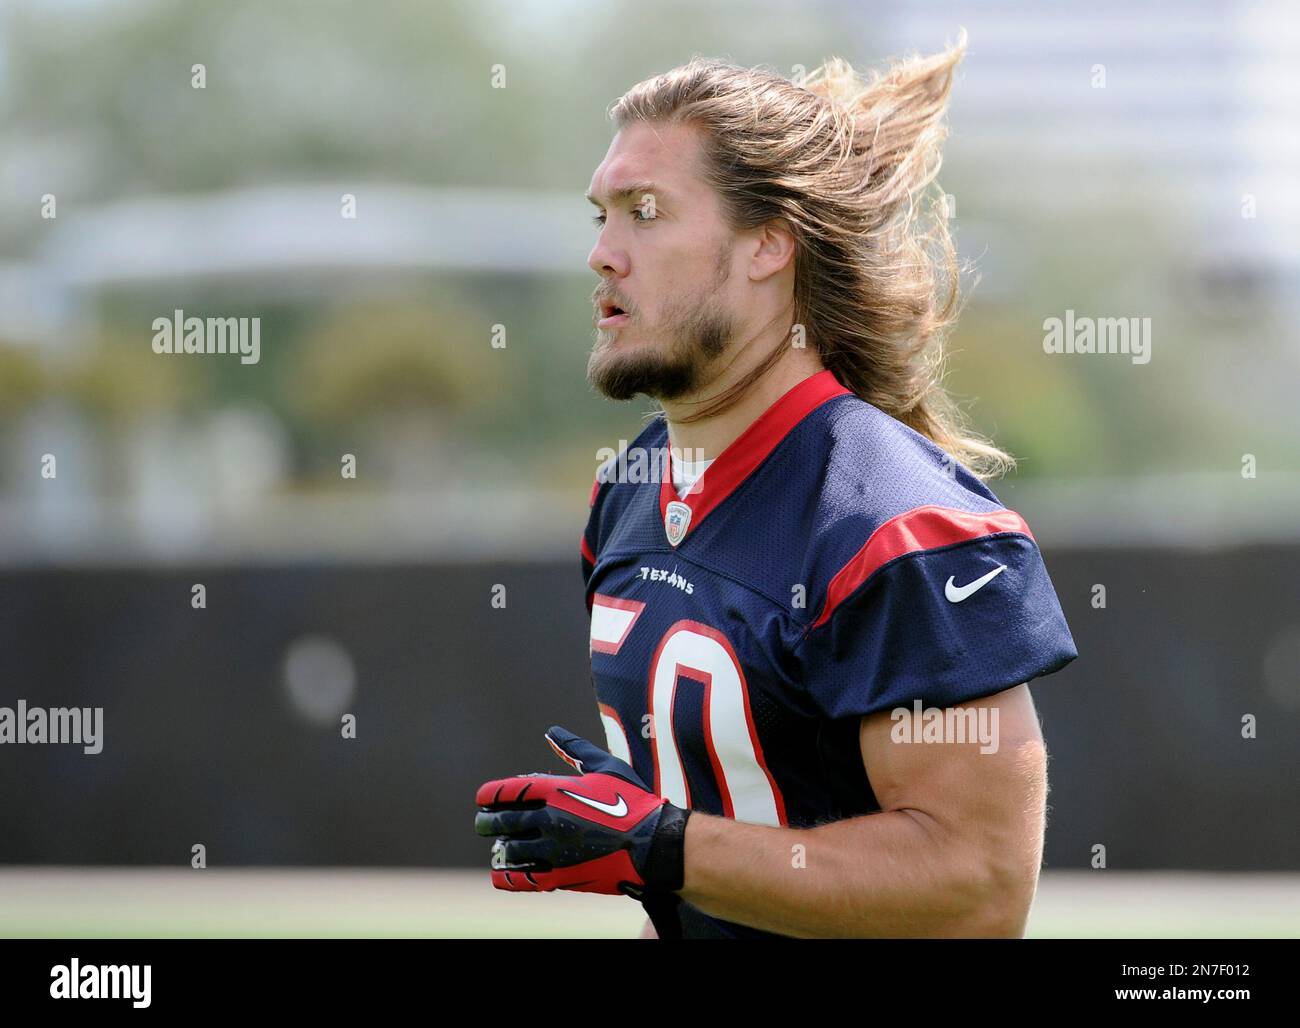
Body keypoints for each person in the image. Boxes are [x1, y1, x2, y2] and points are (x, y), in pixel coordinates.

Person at [475, 35, 1078, 939]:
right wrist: (662, 862)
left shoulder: (896, 527)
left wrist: (664, 847)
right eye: (599, 214)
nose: (602, 253)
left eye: (645, 212)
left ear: (767, 245)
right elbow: (702, 877)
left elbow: (979, 887)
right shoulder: (630, 496)